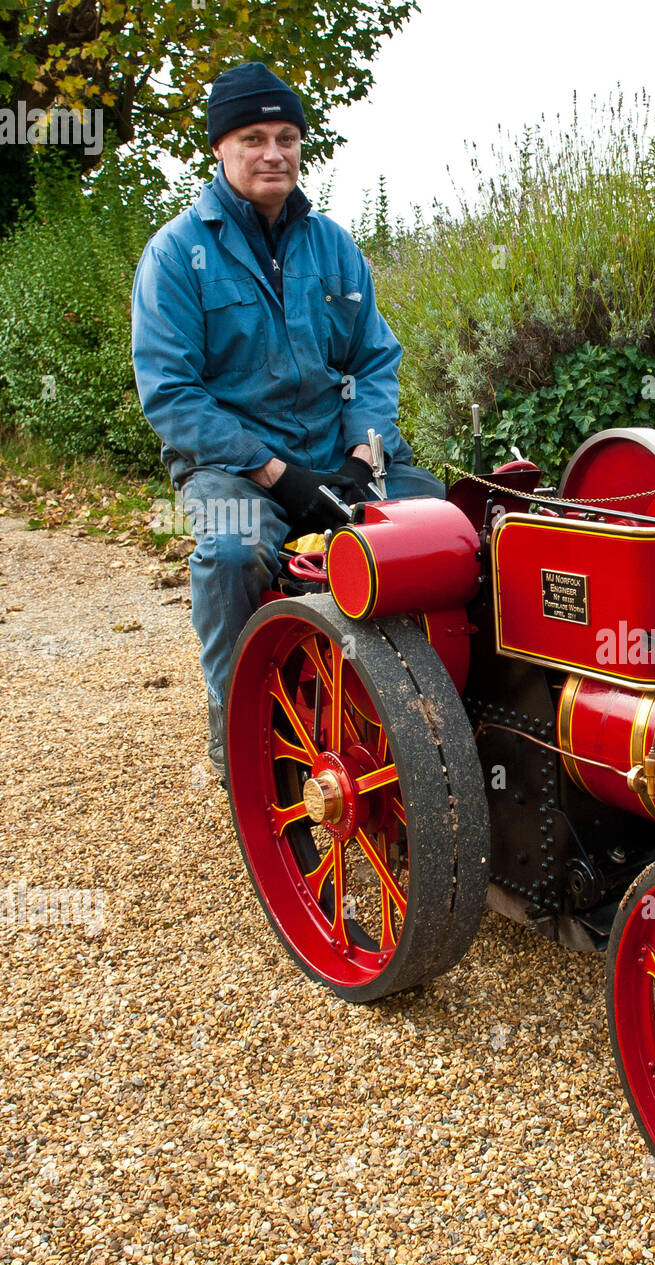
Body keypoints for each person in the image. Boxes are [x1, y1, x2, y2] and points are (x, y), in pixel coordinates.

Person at [131, 61, 442, 781]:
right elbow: (172, 396)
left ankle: (431, 713)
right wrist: (276, 473)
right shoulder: (177, 255)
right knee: (233, 553)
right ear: (220, 149)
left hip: (338, 454)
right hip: (231, 466)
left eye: (286, 137)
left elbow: (373, 360)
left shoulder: (333, 245)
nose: (273, 152)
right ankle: (239, 724)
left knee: (447, 524)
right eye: (253, 137)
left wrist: (362, 461)